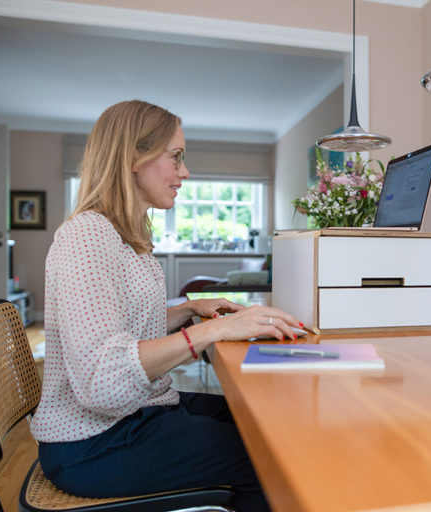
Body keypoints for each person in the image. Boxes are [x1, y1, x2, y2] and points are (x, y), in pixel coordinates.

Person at [30, 100, 301, 511]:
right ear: (133, 157)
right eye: (176, 157)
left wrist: (190, 311)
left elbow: (121, 327)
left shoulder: (124, 237)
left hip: (138, 413)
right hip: (91, 442)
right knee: (271, 459)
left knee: (266, 423)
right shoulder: (86, 237)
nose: (185, 172)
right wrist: (212, 331)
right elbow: (101, 380)